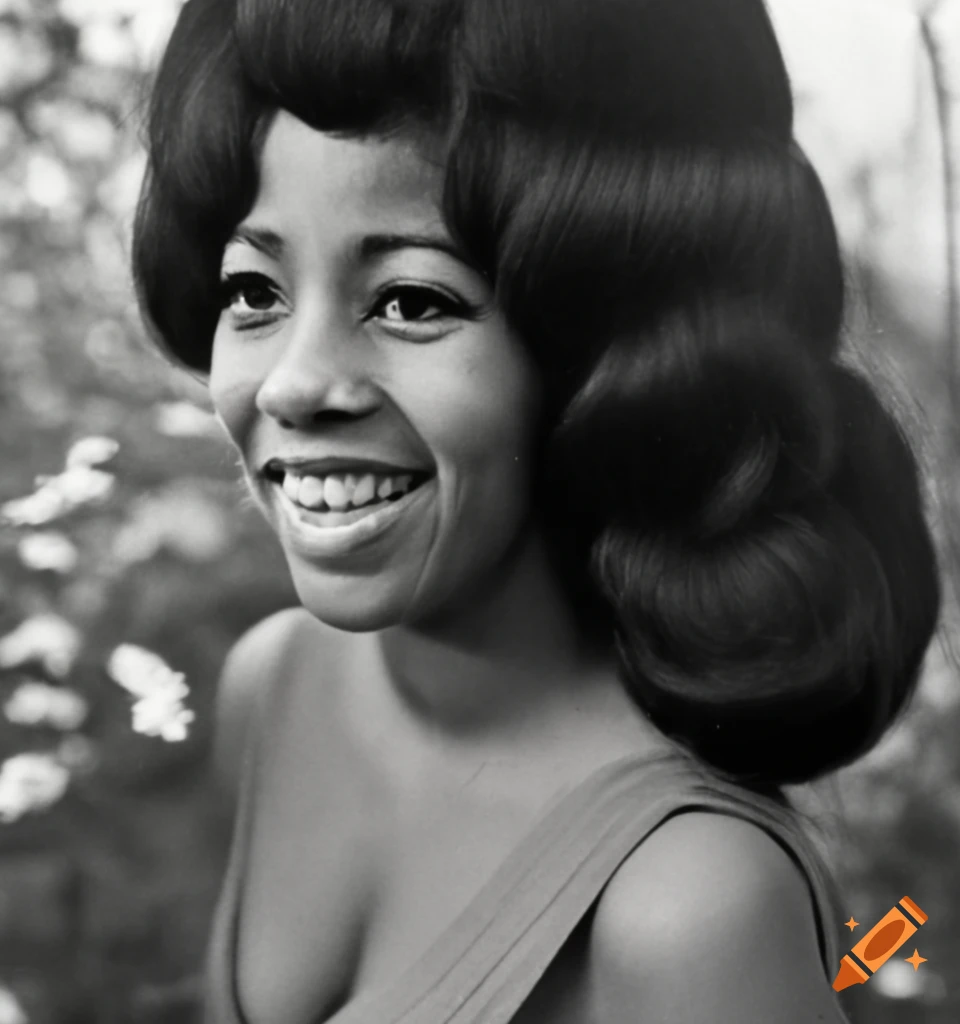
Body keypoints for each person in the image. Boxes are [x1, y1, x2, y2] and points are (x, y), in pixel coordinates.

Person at [131, 0, 942, 1020]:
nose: (295, 384)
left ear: (609, 350)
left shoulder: (689, 903)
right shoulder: (271, 685)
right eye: (254, 291)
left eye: (412, 301)